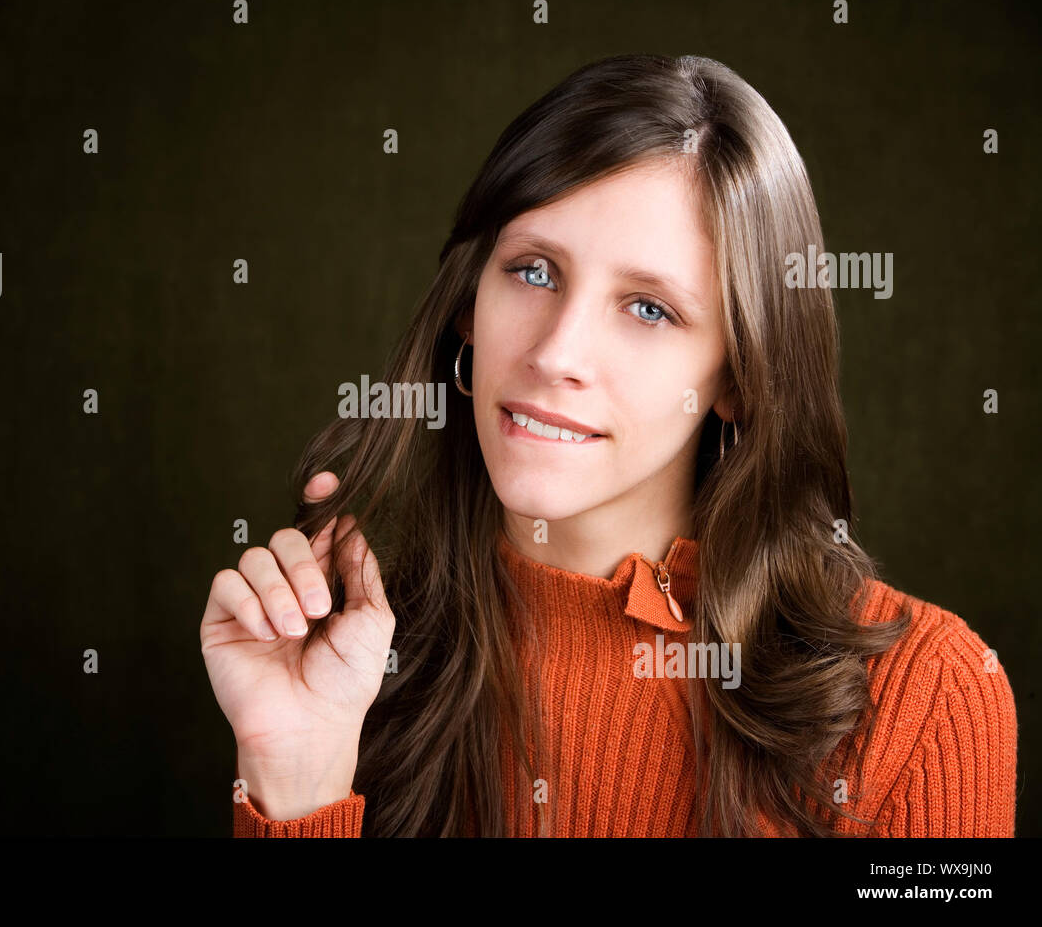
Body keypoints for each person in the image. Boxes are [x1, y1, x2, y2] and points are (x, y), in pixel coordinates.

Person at [200, 53, 1017, 837]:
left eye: (649, 309)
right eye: (533, 272)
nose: (556, 354)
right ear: (467, 308)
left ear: (738, 376)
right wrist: (301, 783)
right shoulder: (350, 661)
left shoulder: (928, 698)